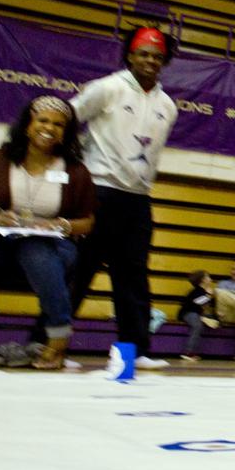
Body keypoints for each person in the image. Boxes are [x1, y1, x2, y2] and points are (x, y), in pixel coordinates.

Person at [69, 27, 178, 370]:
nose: (150, 61)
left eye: (157, 57)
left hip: (138, 200)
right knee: (77, 271)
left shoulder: (168, 106)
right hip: (98, 192)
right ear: (130, 55)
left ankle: (135, 351)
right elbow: (67, 117)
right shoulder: (107, 87)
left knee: (133, 278)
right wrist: (75, 165)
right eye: (143, 54)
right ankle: (47, 343)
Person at [0, 97, 96, 370]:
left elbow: (87, 222)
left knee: (35, 250)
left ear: (66, 132)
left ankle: (57, 340)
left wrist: (59, 225)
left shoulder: (76, 171)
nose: (50, 128)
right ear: (28, 125)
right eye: (43, 121)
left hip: (51, 245)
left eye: (59, 124)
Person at [178, 270, 217, 362]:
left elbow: (207, 307)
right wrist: (208, 295)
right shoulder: (197, 291)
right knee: (197, 325)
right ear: (203, 280)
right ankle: (188, 352)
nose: (210, 279)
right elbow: (197, 302)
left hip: (196, 313)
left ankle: (191, 351)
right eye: (208, 277)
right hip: (187, 313)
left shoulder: (204, 292)